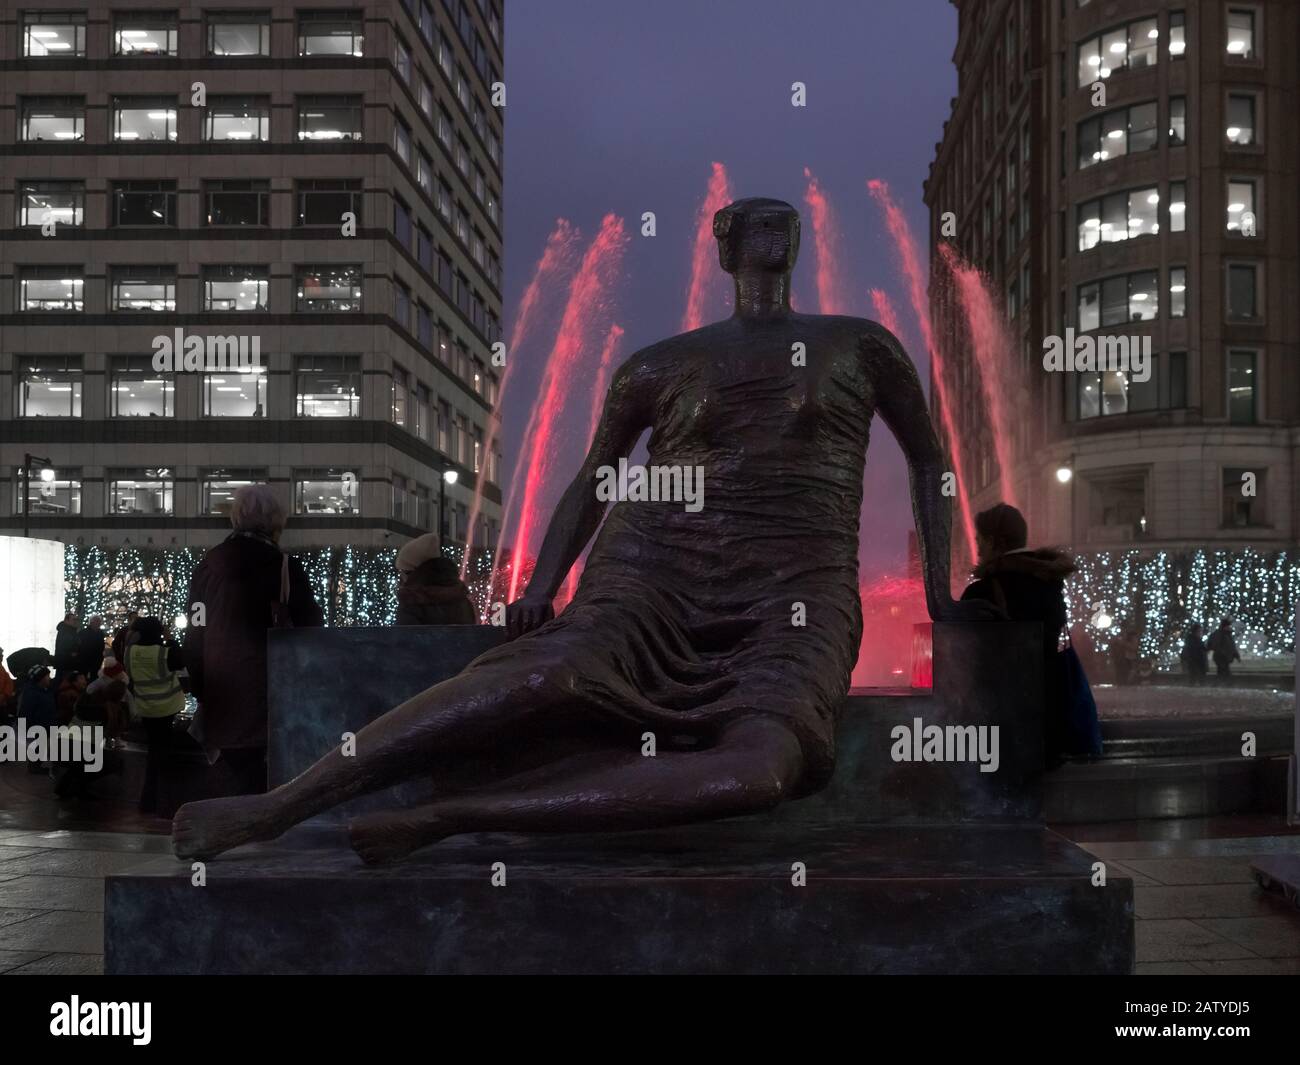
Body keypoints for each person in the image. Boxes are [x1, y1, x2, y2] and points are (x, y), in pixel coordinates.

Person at [173, 197, 994, 865]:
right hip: (654, 571)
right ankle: (279, 805)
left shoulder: (860, 346)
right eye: (752, 220)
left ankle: (455, 816)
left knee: (760, 770)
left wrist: (940, 590)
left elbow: (931, 459)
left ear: (801, 243)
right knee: (545, 674)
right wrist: (538, 589)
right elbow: (593, 482)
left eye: (787, 220)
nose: (773, 226)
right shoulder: (659, 362)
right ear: (723, 248)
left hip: (796, 596)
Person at [183, 484, 323, 796]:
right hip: (275, 697)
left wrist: (203, 689)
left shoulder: (206, 569)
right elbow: (311, 631)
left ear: (235, 518)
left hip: (223, 697)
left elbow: (194, 631)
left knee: (235, 778)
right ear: (277, 521)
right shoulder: (286, 569)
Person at [960, 503, 1078, 765]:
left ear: (994, 542)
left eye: (979, 540)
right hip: (1047, 725)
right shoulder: (1051, 584)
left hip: (1000, 731)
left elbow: (962, 660)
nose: (977, 547)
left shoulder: (981, 593)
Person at [125, 616, 186, 814]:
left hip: (145, 708)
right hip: (167, 708)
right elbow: (179, 660)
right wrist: (170, 638)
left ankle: (148, 800)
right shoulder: (164, 652)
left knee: (154, 751)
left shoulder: (130, 652)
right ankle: (162, 801)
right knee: (162, 753)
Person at [395, 534, 477, 625]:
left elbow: (404, 637)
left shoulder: (411, 601)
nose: (400, 578)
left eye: (402, 571)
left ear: (411, 573)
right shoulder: (461, 598)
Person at [17, 666, 56, 774]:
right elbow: (26, 711)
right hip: (37, 725)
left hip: (45, 723)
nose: (49, 678)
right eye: (47, 676)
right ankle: (34, 767)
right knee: (38, 746)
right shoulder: (32, 693)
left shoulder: (45, 690)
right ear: (40, 679)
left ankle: (36, 765)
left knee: (41, 746)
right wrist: (26, 726)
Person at [0, 649, 14, 721]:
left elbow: (9, 684)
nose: (2, 656)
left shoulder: (2, 668)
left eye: (2, 655)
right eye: (1, 654)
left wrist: (5, 695)